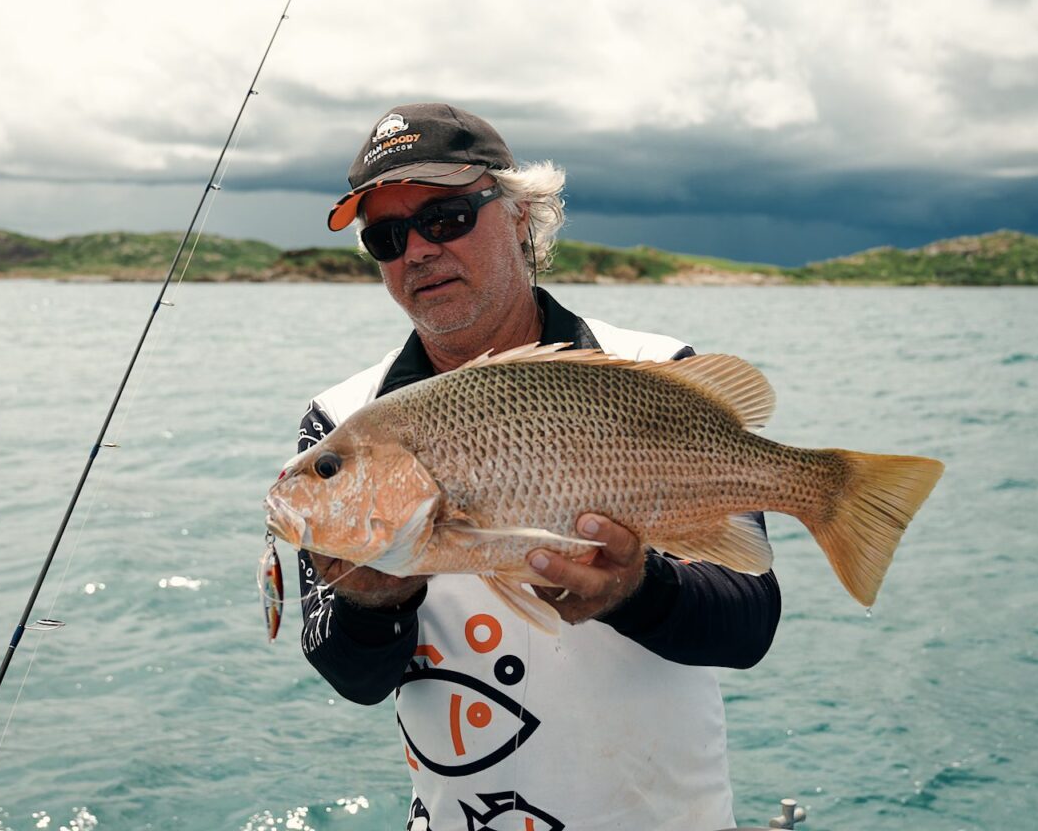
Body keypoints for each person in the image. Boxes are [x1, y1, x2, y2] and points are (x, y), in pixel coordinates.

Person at [292, 102, 781, 831]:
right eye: (386, 237)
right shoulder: (340, 429)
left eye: (445, 218)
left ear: (521, 215)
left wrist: (637, 589)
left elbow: (749, 625)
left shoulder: (654, 370)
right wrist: (372, 601)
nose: (416, 251)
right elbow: (352, 677)